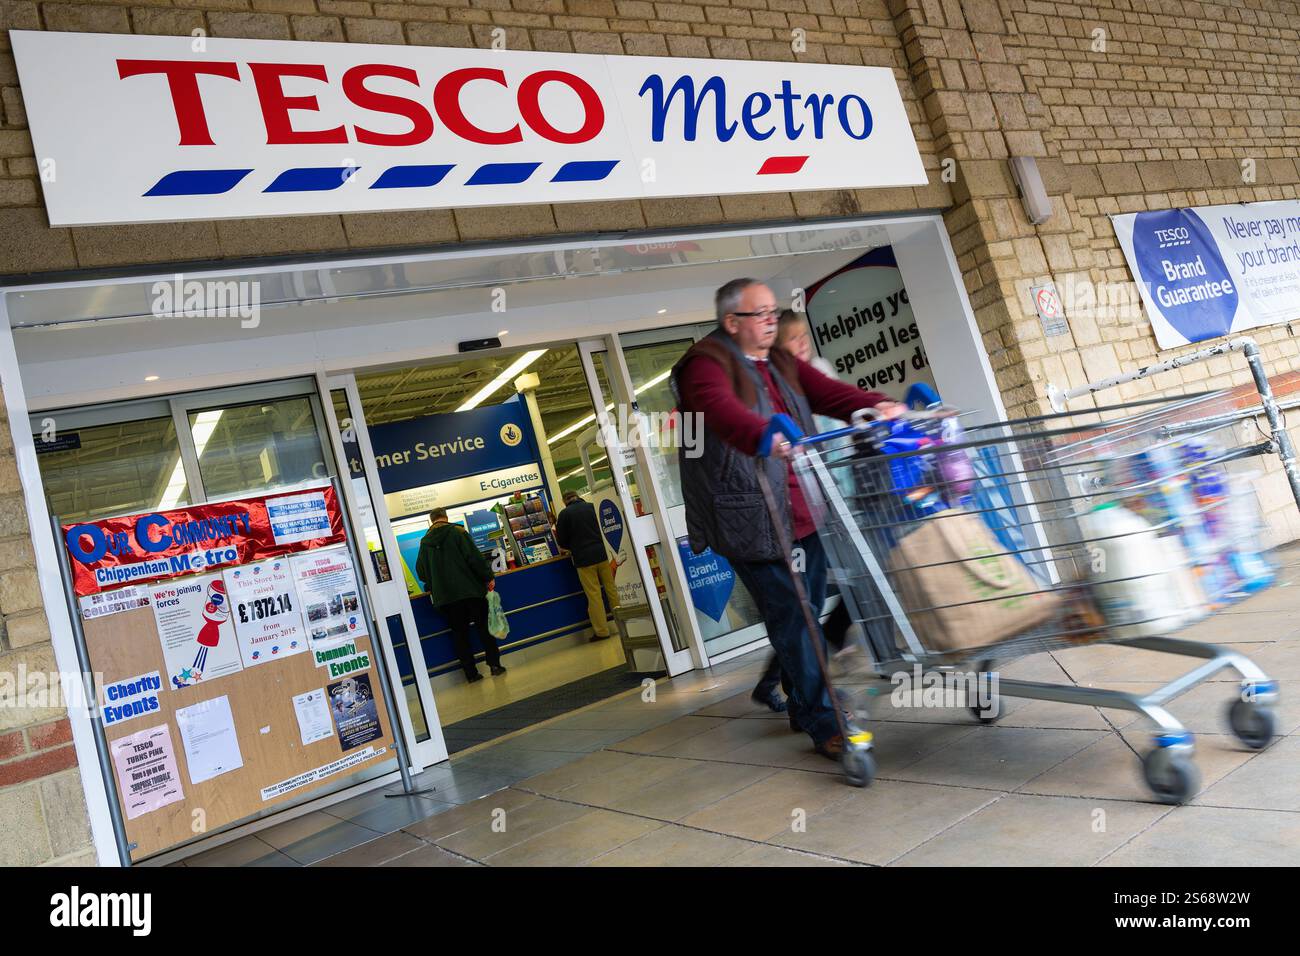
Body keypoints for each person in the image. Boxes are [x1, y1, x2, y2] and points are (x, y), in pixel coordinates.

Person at [672, 279, 903, 760]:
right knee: (797, 620)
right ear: (732, 321)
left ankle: (803, 704)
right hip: (749, 517)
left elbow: (827, 392)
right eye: (760, 314)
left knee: (804, 614)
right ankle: (828, 723)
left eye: (774, 311)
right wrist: (761, 434)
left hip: (803, 508)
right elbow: (717, 410)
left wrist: (875, 403)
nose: (772, 320)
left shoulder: (778, 359)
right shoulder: (704, 364)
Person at [749, 309, 857, 713]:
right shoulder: (777, 390)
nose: (803, 347)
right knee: (803, 607)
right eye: (795, 341)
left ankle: (795, 682)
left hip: (824, 503)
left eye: (805, 340)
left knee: (806, 605)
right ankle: (803, 687)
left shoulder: (811, 377)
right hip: (809, 507)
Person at [415, 507, 506, 683]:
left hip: (447, 598)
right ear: (445, 517)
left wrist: (434, 582)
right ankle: (494, 665)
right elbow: (474, 558)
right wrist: (488, 577)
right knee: (483, 628)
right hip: (471, 591)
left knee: (459, 634)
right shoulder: (458, 532)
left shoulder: (425, 542)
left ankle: (471, 674)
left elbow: (420, 571)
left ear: (432, 520)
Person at [555, 490, 619, 642]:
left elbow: (562, 541)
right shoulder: (592, 507)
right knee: (612, 589)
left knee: (594, 595)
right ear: (578, 496)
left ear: (565, 501)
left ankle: (602, 631)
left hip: (584, 560)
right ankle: (624, 623)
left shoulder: (564, 515)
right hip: (603, 555)